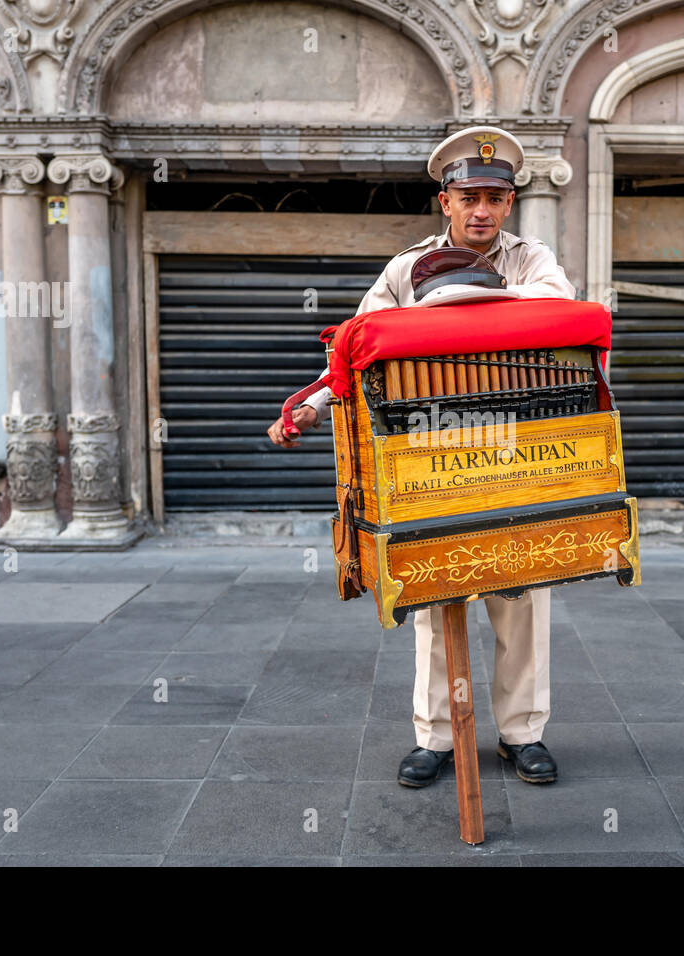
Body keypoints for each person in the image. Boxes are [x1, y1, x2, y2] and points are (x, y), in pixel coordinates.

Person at [266, 125, 576, 786]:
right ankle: (437, 736)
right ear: (446, 201)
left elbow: (559, 313)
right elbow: (352, 349)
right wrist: (310, 407)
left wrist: (464, 307)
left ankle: (522, 734)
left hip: (516, 453)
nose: (481, 209)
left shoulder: (532, 261)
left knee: (522, 596)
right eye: (469, 196)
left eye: (494, 196)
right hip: (428, 453)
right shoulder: (405, 269)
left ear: (510, 203)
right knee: (437, 600)